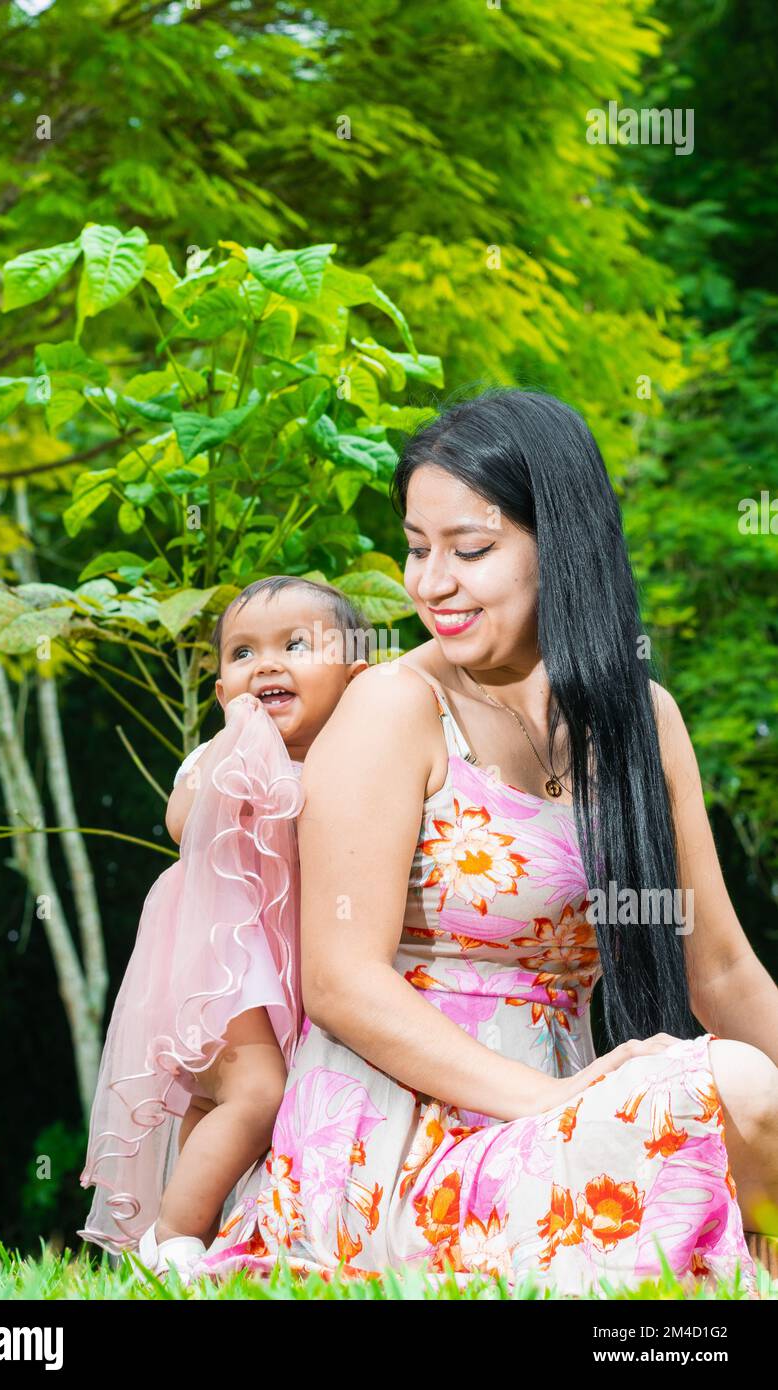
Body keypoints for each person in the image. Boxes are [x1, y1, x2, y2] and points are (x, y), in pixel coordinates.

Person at [185, 388, 778, 1296]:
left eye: (470, 550)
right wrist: (552, 1103)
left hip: (568, 1117)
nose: (431, 583)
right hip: (398, 1150)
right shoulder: (396, 707)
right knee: (740, 1086)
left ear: (563, 545)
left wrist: (572, 1104)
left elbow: (725, 973)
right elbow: (341, 981)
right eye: (418, 549)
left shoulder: (641, 721)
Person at [77, 577, 372, 1281]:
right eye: (243, 653)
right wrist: (238, 756)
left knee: (215, 1101)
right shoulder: (224, 752)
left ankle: (192, 1231)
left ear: (358, 677)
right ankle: (172, 1239)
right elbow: (182, 824)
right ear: (221, 691)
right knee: (258, 1096)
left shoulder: (358, 759)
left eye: (294, 645)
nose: (265, 664)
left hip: (283, 963)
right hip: (217, 951)